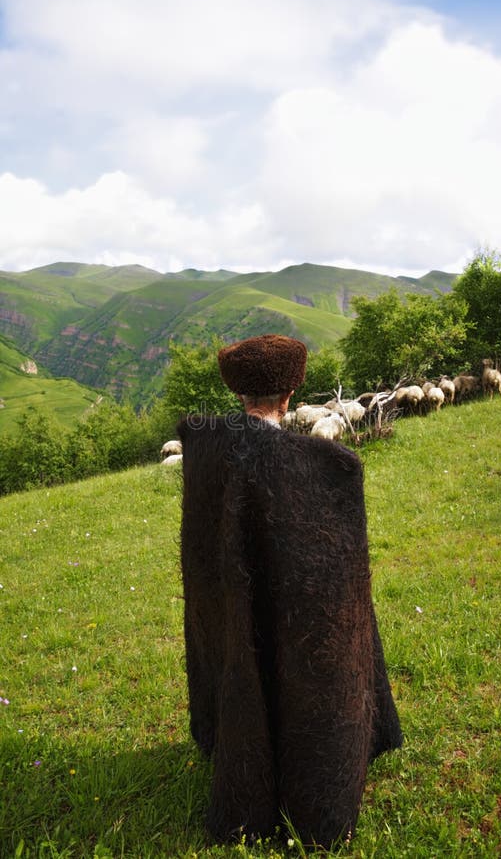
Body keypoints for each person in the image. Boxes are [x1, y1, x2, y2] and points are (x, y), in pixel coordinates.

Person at [177, 334, 402, 847]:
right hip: (295, 620)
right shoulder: (323, 467)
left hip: (231, 610)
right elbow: (337, 587)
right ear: (290, 393)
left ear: (238, 392)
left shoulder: (206, 453)